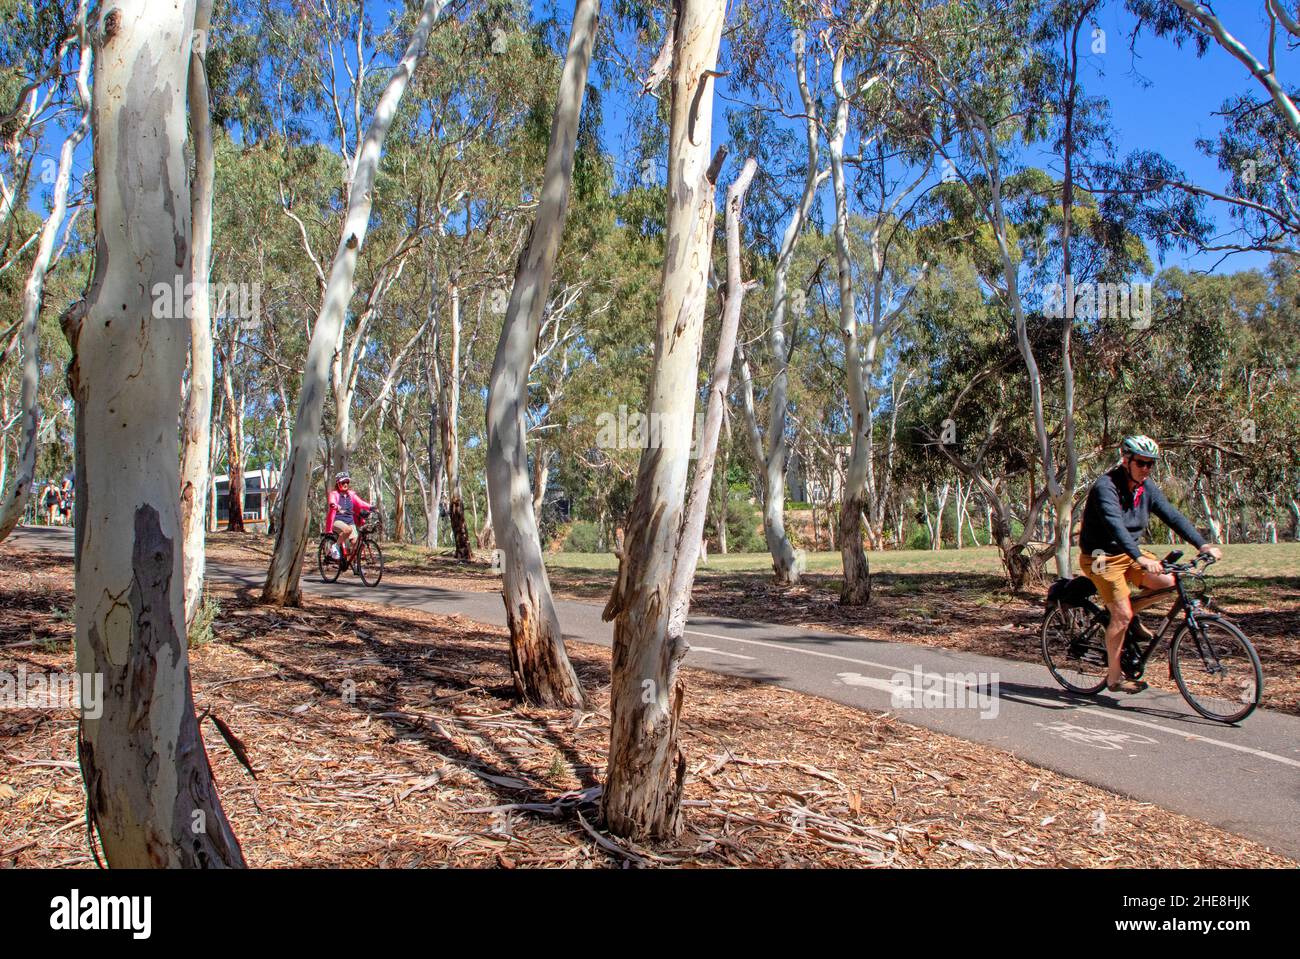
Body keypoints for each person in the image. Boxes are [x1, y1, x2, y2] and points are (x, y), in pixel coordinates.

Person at [1078, 435, 1222, 694]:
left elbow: (1172, 516)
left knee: (1169, 582)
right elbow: (1116, 527)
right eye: (1141, 463)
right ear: (1126, 460)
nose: (1146, 469)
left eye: (1151, 464)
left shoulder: (1146, 488)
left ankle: (1126, 615)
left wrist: (1202, 544)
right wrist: (1140, 558)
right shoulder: (1105, 487)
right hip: (1100, 556)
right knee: (1121, 616)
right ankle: (1114, 678)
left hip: (1129, 553)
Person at [325, 471, 371, 574]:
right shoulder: (334, 494)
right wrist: (335, 506)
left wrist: (371, 507)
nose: (345, 484)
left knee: (357, 544)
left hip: (350, 521)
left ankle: (356, 567)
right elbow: (332, 502)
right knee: (348, 530)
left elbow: (360, 503)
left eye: (347, 482)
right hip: (337, 521)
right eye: (343, 482)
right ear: (338, 483)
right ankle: (335, 547)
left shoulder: (351, 495)